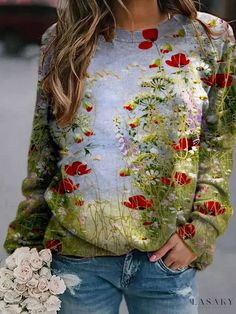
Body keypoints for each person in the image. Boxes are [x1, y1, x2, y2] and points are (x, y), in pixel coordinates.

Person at [3, 0, 236, 313]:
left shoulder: (210, 37)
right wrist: (24, 249)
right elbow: (44, 156)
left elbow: (219, 141)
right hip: (76, 259)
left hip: (166, 262)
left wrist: (202, 230)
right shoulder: (61, 41)